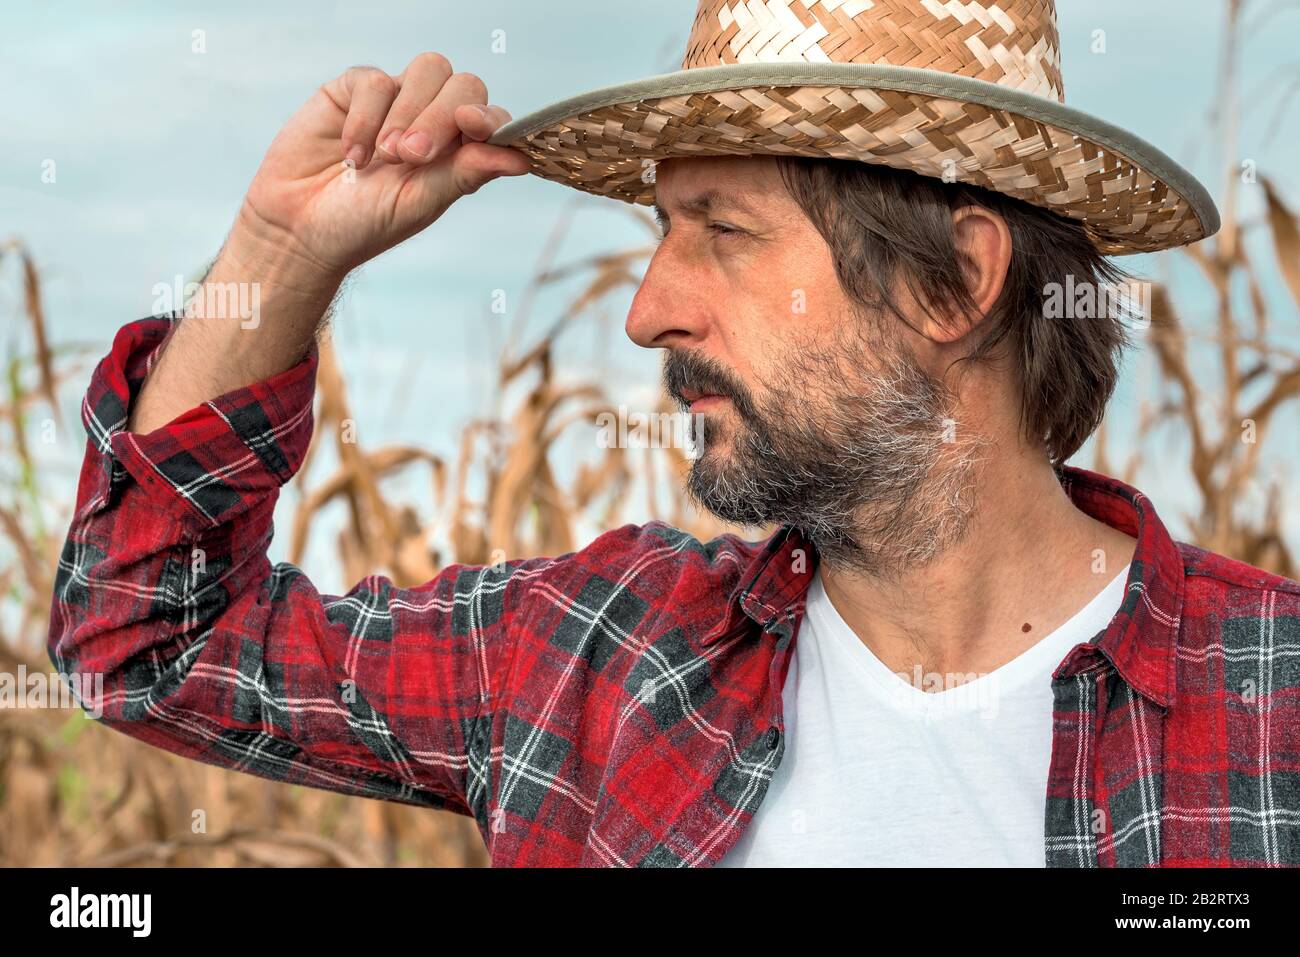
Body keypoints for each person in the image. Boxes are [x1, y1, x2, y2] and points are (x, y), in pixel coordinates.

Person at [50, 1, 1300, 867]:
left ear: (954, 283)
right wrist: (280, 254)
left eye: (724, 232)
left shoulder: (1270, 702)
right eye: (661, 231)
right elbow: (149, 642)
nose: (649, 311)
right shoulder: (595, 656)